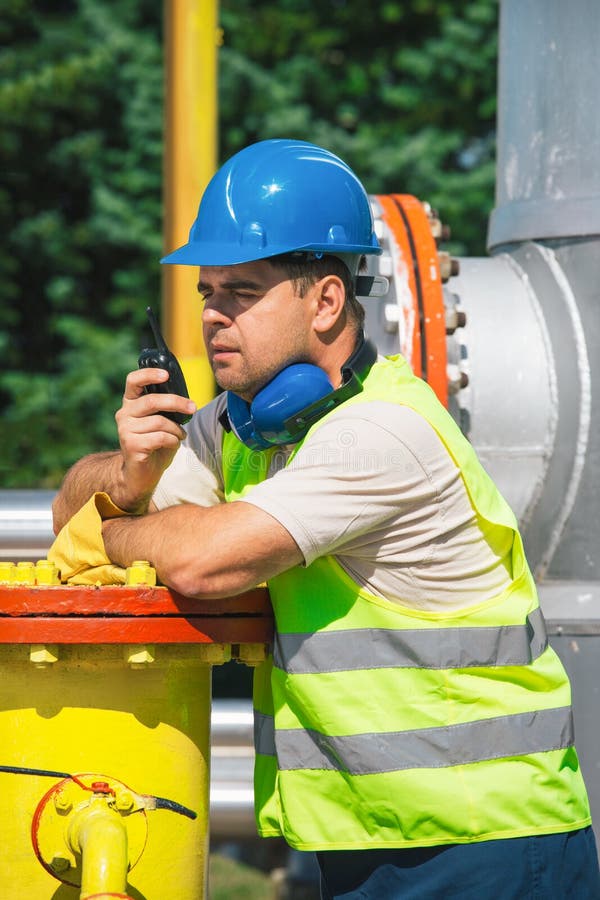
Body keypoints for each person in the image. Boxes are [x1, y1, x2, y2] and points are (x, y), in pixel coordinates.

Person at [52, 139, 600, 899]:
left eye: (241, 291)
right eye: (207, 292)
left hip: (484, 844)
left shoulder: (380, 431)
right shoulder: (242, 424)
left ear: (328, 301)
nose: (211, 315)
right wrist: (128, 475)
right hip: (372, 841)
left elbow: (205, 561)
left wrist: (110, 531)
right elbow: (67, 511)